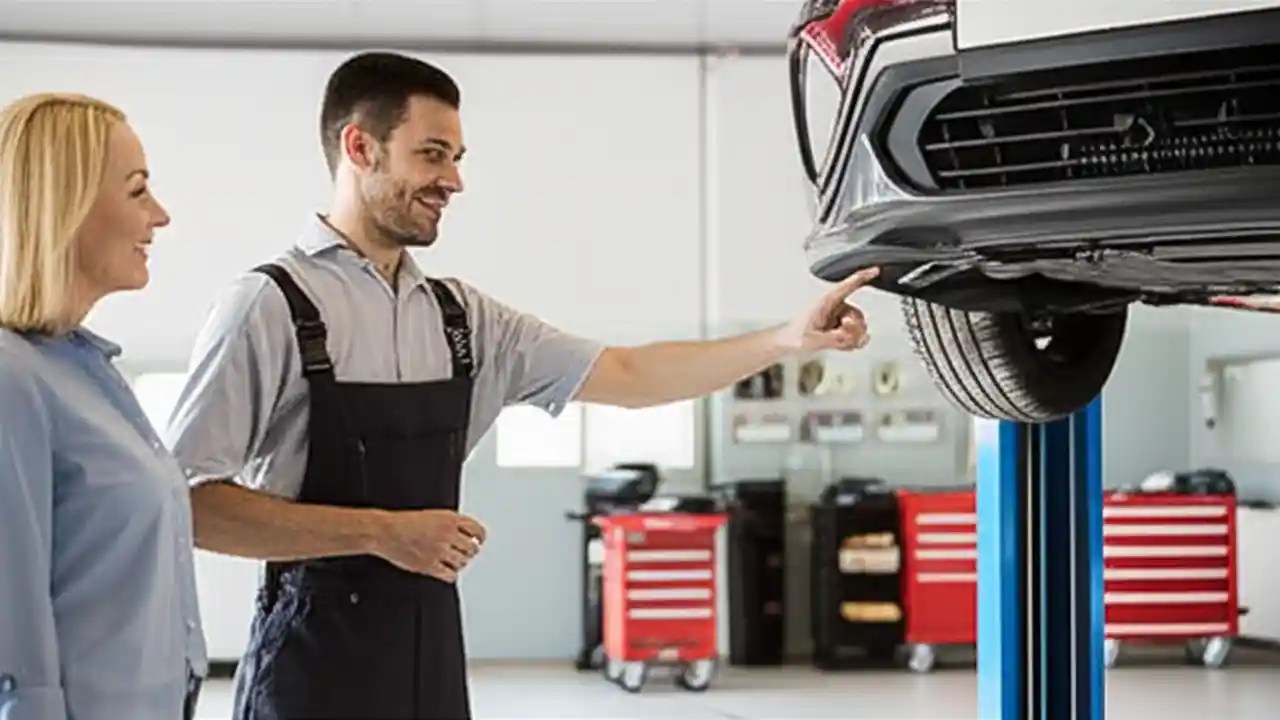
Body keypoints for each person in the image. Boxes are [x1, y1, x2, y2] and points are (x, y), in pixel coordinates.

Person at [165, 51, 877, 720]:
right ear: (360, 149)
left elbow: (630, 375)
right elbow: (191, 505)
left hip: (431, 654)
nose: (454, 180)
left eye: (457, 158)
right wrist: (381, 533)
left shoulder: (463, 319)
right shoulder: (267, 306)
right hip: (309, 662)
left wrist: (786, 339)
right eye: (432, 154)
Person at [0, 93, 207, 720]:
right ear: (66, 202)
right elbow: (13, 637)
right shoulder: (12, 379)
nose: (161, 216)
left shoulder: (86, 368)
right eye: (138, 191)